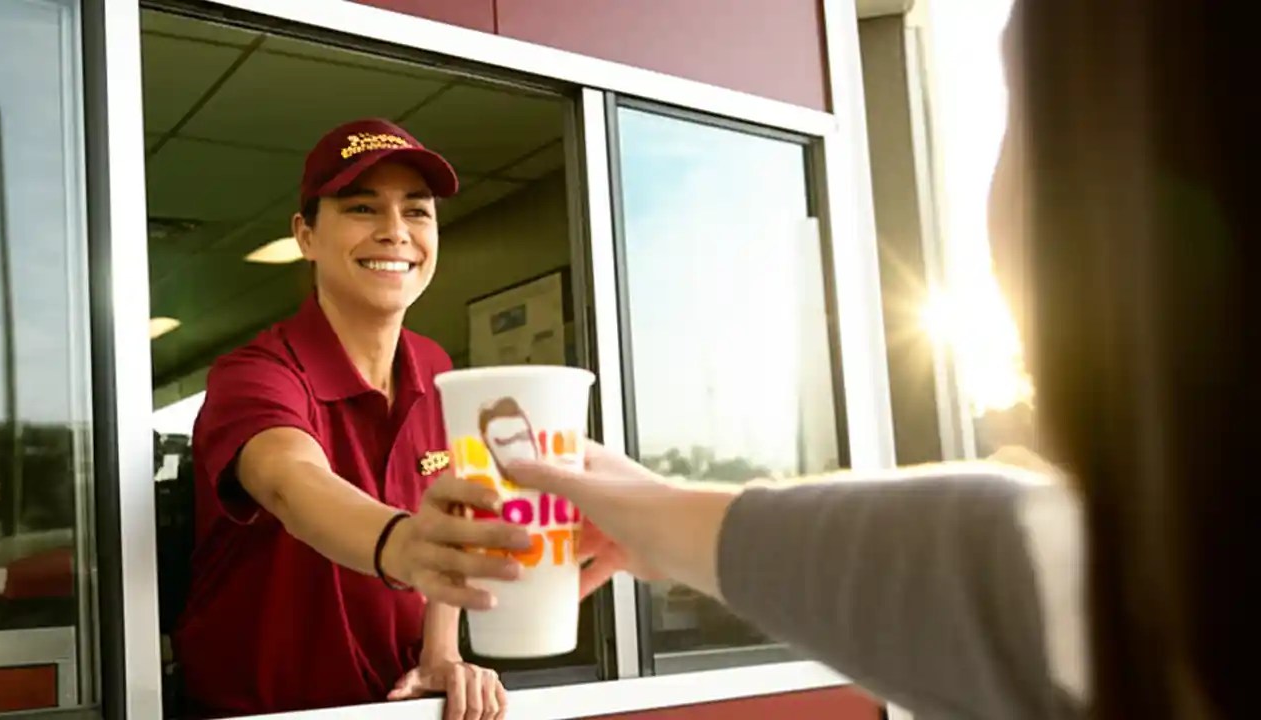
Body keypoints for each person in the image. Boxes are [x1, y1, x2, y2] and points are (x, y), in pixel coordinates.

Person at [499, 1, 1250, 718]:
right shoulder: (1133, 600)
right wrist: (662, 516)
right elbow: (981, 561)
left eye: (1023, 122)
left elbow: (991, 565)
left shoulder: (1116, 616)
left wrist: (663, 518)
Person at [173, 118, 532, 719]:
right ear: (306, 235)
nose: (395, 233)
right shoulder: (255, 373)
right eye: (363, 208)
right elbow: (291, 482)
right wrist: (404, 544)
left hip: (397, 707)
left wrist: (442, 651)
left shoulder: (437, 369)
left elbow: (451, 512)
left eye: (417, 213)